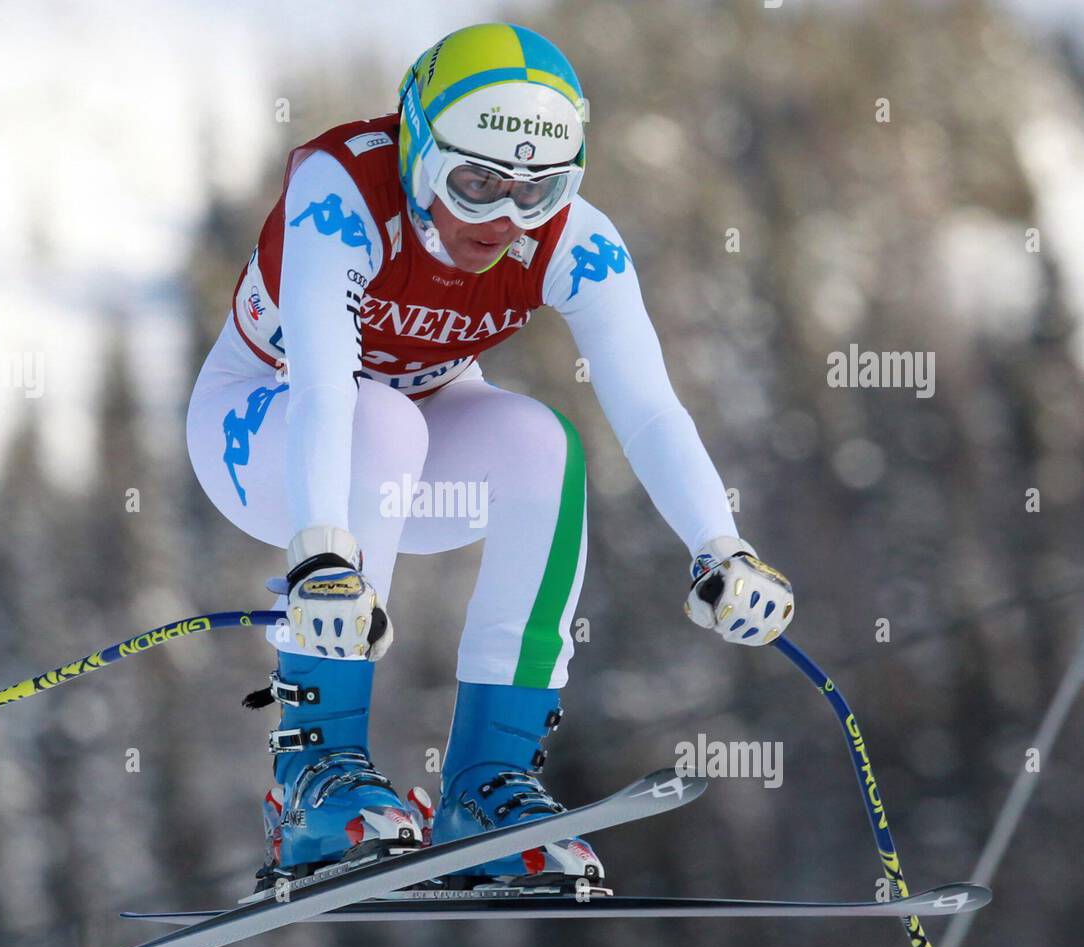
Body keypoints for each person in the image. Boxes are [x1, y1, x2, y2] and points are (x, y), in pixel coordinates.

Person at [186, 22, 794, 893]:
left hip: (408, 446)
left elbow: (651, 406)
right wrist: (322, 552)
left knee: (544, 447)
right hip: (262, 434)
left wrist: (720, 547)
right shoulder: (343, 189)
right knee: (380, 417)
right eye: (475, 184)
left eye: (538, 190)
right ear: (420, 151)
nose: (504, 219)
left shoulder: (573, 240)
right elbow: (325, 381)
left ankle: (487, 787)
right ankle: (313, 777)